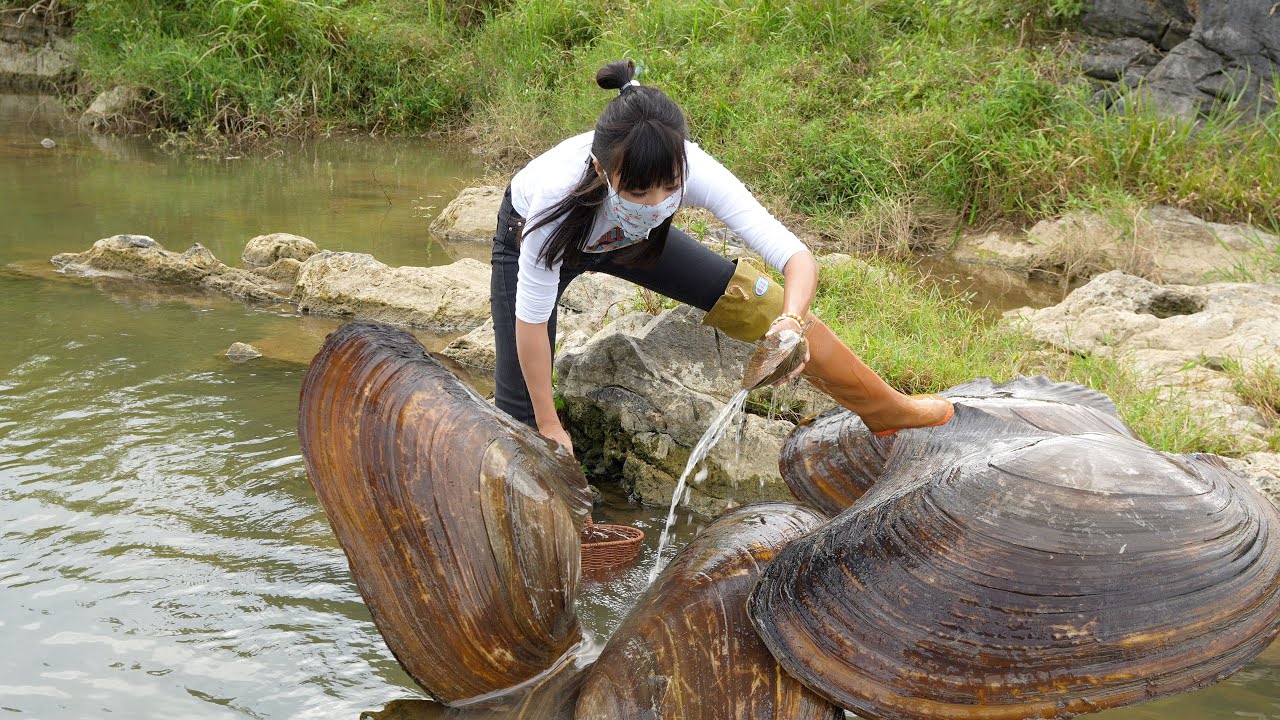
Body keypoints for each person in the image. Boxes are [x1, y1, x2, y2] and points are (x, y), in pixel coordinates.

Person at [490, 59, 952, 455]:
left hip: (632, 245)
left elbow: (794, 256)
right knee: (523, 419)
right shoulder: (554, 201)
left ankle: (887, 409)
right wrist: (549, 425)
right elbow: (531, 324)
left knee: (763, 305)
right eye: (637, 191)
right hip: (550, 241)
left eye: (670, 189)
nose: (656, 204)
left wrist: (790, 321)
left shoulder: (694, 168)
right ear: (600, 169)